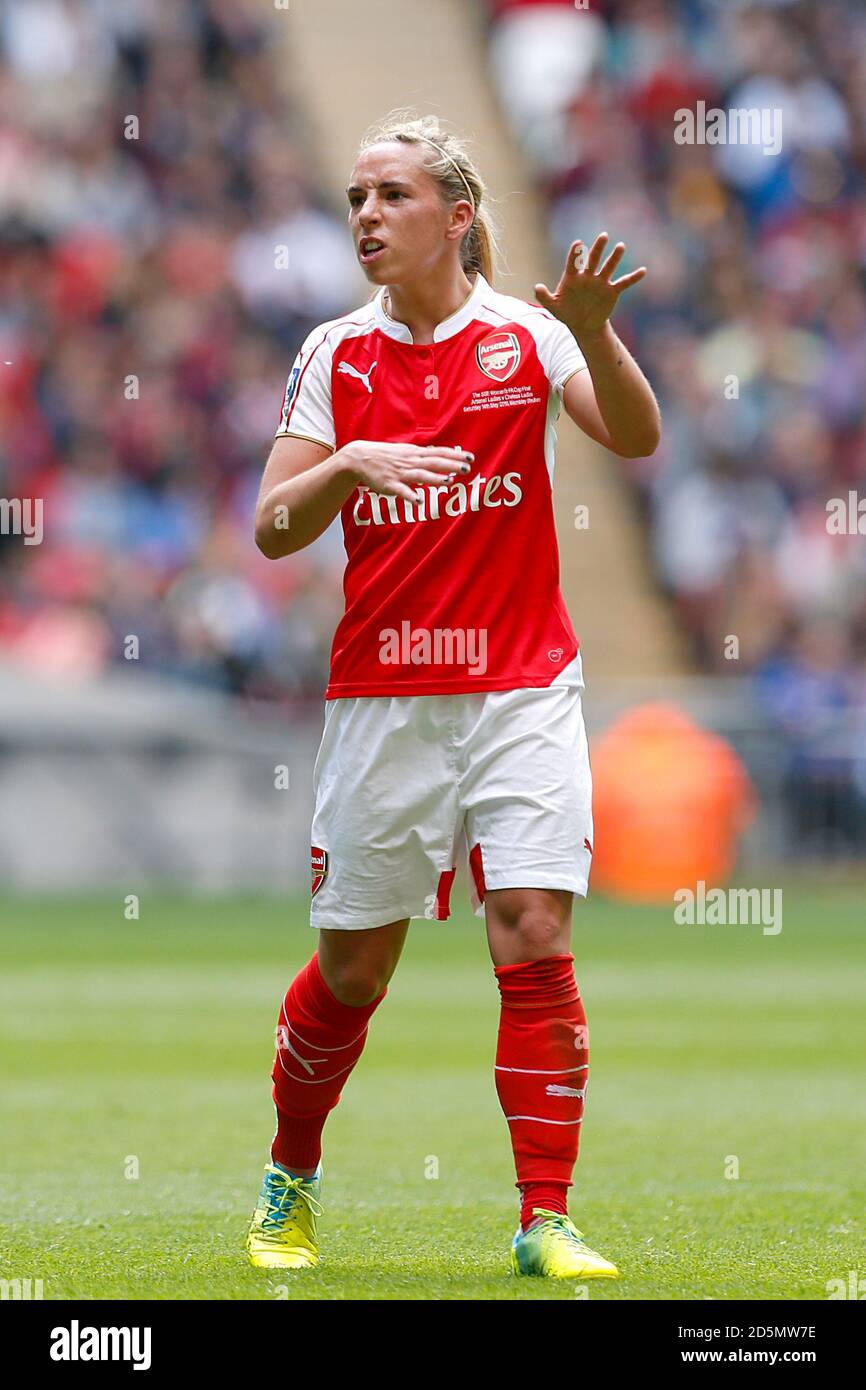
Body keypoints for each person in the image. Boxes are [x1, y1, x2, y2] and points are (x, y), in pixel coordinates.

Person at [246, 111, 660, 1280]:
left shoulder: (529, 334)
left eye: (391, 196)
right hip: (383, 695)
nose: (366, 217)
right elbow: (273, 531)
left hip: (520, 682)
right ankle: (290, 1176)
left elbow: (633, 437)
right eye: (356, 199)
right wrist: (344, 465)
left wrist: (598, 335)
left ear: (458, 215)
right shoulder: (335, 354)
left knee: (531, 931)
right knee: (352, 973)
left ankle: (543, 1219)